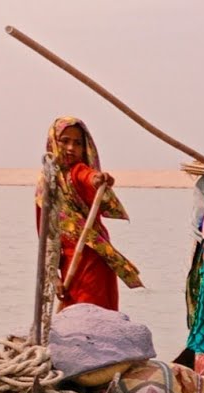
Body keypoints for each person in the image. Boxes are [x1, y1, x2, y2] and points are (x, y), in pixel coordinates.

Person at [36, 117, 142, 311]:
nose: (70, 148)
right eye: (65, 141)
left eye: (77, 143)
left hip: (93, 260)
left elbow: (88, 177)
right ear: (53, 142)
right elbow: (44, 237)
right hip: (69, 264)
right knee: (68, 317)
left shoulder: (78, 171)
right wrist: (54, 277)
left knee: (91, 314)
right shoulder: (46, 188)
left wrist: (98, 179)